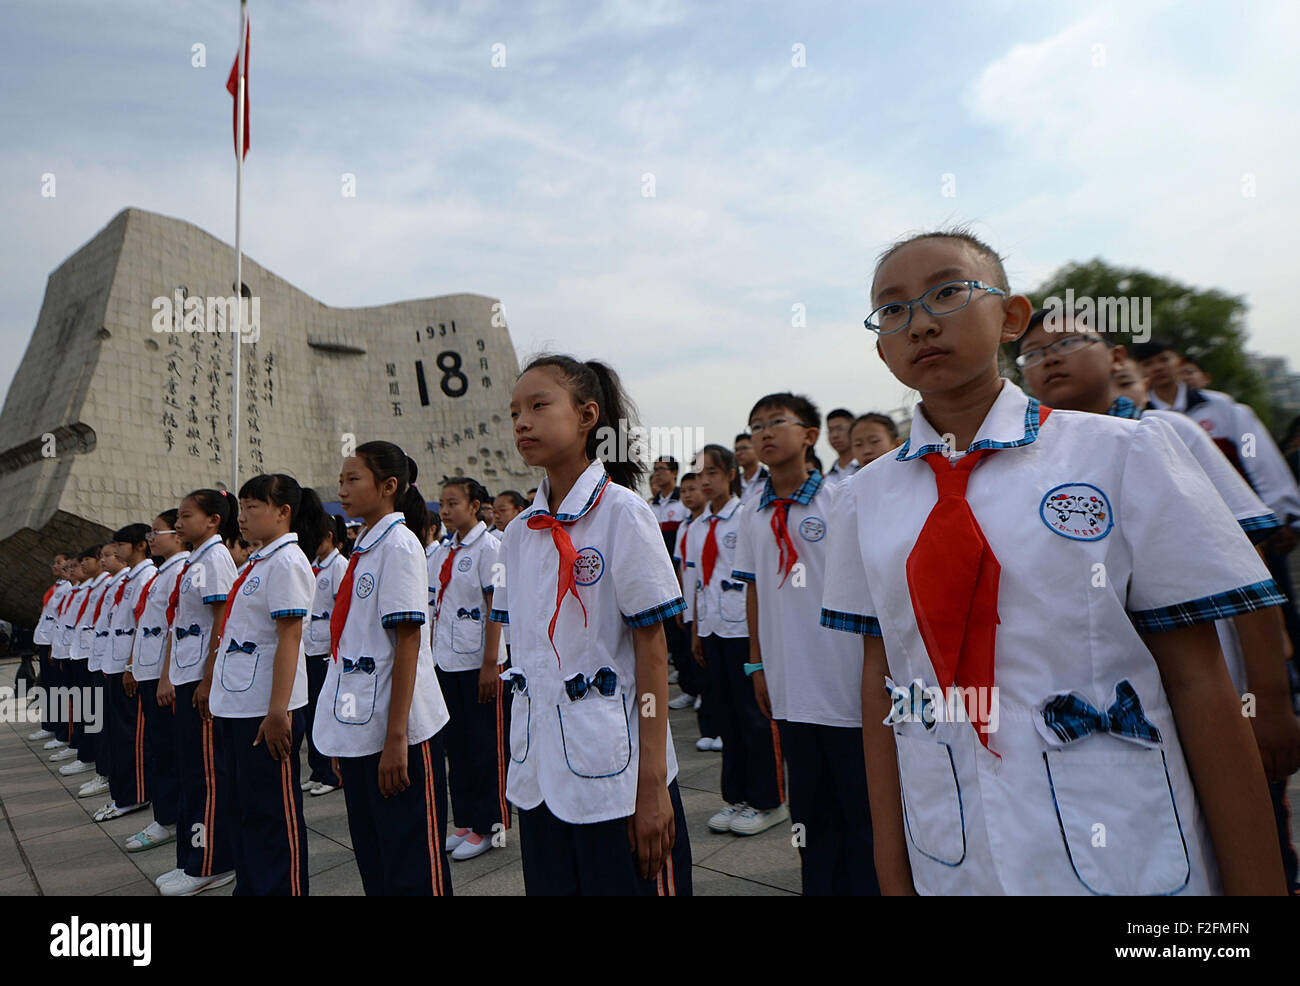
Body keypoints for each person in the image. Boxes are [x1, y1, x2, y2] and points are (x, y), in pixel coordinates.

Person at [822, 227, 1286, 895]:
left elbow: (1199, 678)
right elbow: (881, 685)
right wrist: (893, 871)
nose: (921, 322)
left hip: (1123, 840)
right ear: (883, 348)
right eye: (894, 310)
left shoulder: (1122, 454)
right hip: (950, 847)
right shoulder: (862, 499)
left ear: (1011, 317)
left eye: (948, 292)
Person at [1017, 307, 1300, 890]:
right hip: (1119, 721)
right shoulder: (1026, 463)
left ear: (1118, 357)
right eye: (1033, 352)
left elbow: (1248, 574)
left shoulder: (1167, 433)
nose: (1049, 356)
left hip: (1215, 698)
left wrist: (1268, 699)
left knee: (1251, 837)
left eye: (1068, 341)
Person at [491, 354, 692, 895]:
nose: (522, 424)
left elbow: (652, 656)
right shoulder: (518, 533)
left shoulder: (622, 513)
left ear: (586, 416)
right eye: (514, 413)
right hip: (540, 777)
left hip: (618, 776)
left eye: (538, 406)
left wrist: (651, 785)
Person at [732, 392, 879, 893]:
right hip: (790, 683)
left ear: (810, 435)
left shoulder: (843, 498)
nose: (765, 433)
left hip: (846, 679)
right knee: (810, 808)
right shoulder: (751, 512)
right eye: (756, 426)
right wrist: (757, 665)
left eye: (777, 422)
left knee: (861, 803)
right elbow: (752, 588)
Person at [315, 442, 454, 896]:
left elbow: (408, 640)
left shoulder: (400, 545)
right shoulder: (366, 546)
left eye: (354, 479)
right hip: (364, 721)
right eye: (341, 480)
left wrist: (397, 739)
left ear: (389, 486)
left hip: (399, 729)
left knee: (413, 859)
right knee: (375, 852)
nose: (343, 489)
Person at [207, 474, 321, 896]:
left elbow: (289, 637)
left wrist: (278, 712)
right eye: (242, 507)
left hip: (266, 709)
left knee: (274, 814)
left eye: (253, 507)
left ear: (282, 511)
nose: (243, 516)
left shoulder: (288, 562)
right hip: (239, 704)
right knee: (244, 809)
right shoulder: (259, 561)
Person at [689, 442, 786, 836]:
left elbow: (756, 582)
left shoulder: (747, 517)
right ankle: (737, 797)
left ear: (731, 475)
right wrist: (695, 629)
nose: (705, 481)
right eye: (699, 475)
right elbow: (696, 582)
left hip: (743, 632)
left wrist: (759, 643)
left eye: (713, 472)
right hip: (712, 630)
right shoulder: (695, 527)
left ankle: (770, 800)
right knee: (726, 717)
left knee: (755, 718)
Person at [157, 489, 240, 896]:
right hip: (188, 673)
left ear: (213, 521)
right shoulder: (196, 560)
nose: (179, 523)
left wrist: (209, 679)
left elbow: (221, 621)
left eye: (187, 516)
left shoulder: (216, 560)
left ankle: (213, 861)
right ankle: (191, 858)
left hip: (201, 679)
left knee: (207, 774)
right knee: (192, 771)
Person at [430, 476, 508, 862]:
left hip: (479, 661)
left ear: (475, 506)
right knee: (456, 747)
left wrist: (490, 664)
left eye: (453, 503)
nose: (445, 511)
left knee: (484, 747)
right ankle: (466, 822)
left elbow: (496, 606)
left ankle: (491, 825)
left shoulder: (489, 548)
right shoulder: (447, 550)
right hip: (448, 659)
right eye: (442, 504)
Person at [121, 511, 189, 853]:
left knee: (168, 751)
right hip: (149, 671)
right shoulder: (164, 571)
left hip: (166, 677)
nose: (151, 537)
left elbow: (175, 631)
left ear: (178, 534)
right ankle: (166, 815)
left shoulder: (182, 569)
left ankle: (171, 819)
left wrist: (167, 677)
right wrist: (134, 664)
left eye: (156, 531)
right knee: (160, 749)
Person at [92, 523, 157, 824]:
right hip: (114, 662)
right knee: (118, 734)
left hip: (128, 667)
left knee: (132, 735)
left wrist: (130, 666)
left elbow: (143, 625)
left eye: (120, 545)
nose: (115, 551)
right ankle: (122, 792)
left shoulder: (147, 576)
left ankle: (135, 794)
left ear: (139, 545)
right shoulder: (131, 578)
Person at [303, 514, 349, 796]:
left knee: (326, 711)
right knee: (311, 714)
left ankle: (333, 774)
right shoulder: (313, 566)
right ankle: (317, 770)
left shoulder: (339, 566)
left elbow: (342, 610)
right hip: (309, 646)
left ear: (329, 537)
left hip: (326, 650)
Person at [77, 544, 126, 801]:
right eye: (103, 555)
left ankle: (108, 773)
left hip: (116, 661)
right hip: (100, 656)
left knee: (112, 725)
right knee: (97, 718)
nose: (104, 559)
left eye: (107, 555)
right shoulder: (108, 584)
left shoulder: (124, 582)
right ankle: (102, 768)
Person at [57, 546, 109, 778]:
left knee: (94, 712)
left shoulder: (106, 584)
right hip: (82, 652)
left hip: (95, 654)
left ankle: (91, 757)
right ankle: (86, 753)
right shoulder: (90, 587)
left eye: (86, 560)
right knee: (84, 707)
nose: (81, 566)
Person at [28, 553, 73, 743]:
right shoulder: (58, 586)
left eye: (59, 563)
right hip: (46, 640)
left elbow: (61, 619)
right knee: (47, 685)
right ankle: (50, 725)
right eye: (54, 562)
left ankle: (61, 730)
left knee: (57, 687)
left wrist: (56, 645)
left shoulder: (69, 588)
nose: (55, 566)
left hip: (55, 643)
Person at [823, 408, 859, 488]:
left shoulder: (865, 467)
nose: (835, 435)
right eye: (830, 430)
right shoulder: (827, 478)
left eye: (840, 429)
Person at [734, 433, 769, 503]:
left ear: (757, 449)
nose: (738, 453)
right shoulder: (734, 482)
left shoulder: (769, 479)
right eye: (736, 450)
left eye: (744, 448)